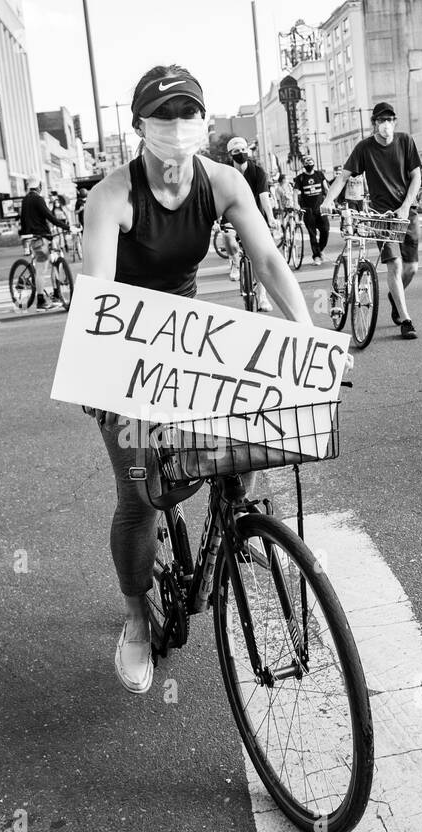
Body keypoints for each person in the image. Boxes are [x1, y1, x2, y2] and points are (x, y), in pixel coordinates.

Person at [80, 65, 316, 694]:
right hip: (127, 349)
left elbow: (267, 257)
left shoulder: (224, 181)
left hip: (190, 340)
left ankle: (229, 530)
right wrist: (97, 373)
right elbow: (97, 288)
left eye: (189, 115)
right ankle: (135, 620)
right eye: (164, 117)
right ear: (139, 129)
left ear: (204, 124)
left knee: (242, 455)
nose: (177, 129)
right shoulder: (111, 198)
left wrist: (309, 334)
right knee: (139, 497)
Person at [322, 101, 422, 339]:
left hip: (407, 211)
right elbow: (343, 177)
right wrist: (328, 200)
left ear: (394, 122)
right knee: (395, 266)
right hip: (381, 214)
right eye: (381, 121)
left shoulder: (405, 141)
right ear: (374, 124)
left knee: (412, 268)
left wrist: (406, 206)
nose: (386, 125)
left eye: (389, 120)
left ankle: (394, 296)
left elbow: (416, 176)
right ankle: (406, 320)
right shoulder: (364, 148)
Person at [223, 136, 277, 311]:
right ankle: (234, 262)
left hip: (253, 216)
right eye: (236, 151)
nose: (241, 154)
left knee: (257, 258)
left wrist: (270, 218)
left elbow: (264, 198)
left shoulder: (258, 172)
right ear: (230, 154)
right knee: (228, 238)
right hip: (230, 214)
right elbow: (218, 197)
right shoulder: (226, 173)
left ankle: (262, 298)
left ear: (247, 150)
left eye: (243, 150)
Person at [17, 177, 71, 310]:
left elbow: (23, 220)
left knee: (53, 262)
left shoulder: (25, 200)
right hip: (40, 237)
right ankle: (40, 301)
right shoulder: (38, 199)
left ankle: (56, 293)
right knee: (41, 270)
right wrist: (67, 227)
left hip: (36, 237)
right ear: (39, 186)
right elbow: (50, 217)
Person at [293, 155, 331, 263]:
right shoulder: (300, 178)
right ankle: (316, 256)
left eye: (310, 162)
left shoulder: (319, 174)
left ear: (314, 163)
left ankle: (320, 250)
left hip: (320, 208)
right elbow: (295, 192)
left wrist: (330, 201)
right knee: (312, 233)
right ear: (303, 165)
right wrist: (296, 204)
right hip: (308, 209)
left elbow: (326, 189)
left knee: (325, 230)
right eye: (306, 163)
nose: (309, 164)